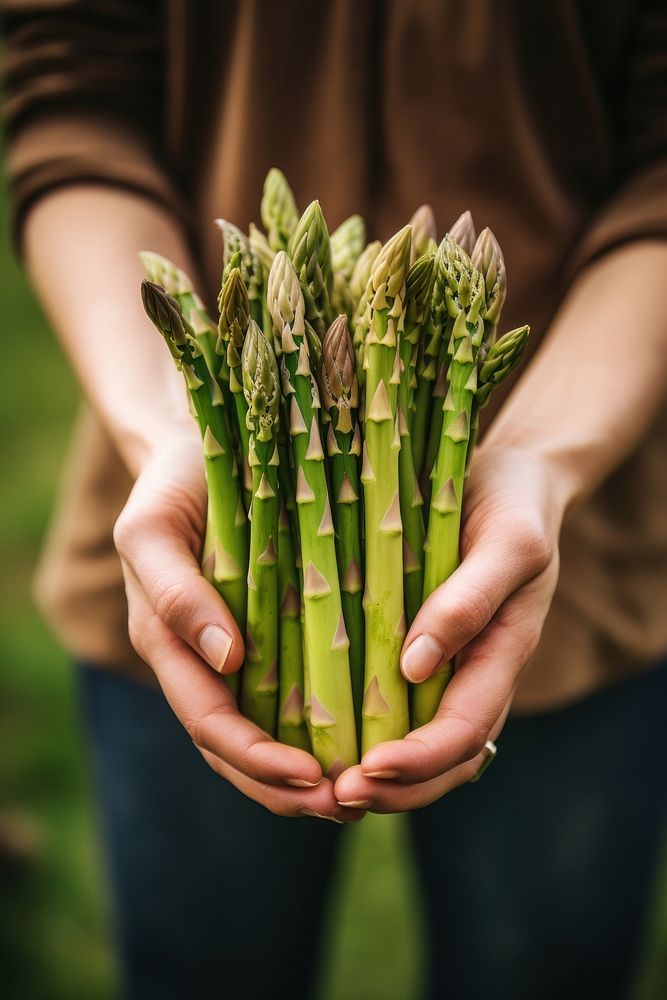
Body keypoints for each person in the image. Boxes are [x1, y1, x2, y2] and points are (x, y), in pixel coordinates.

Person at [3, 2, 667, 998]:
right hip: (190, 561)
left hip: (589, 546)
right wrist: (171, 425)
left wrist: (541, 456)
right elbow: (69, 99)